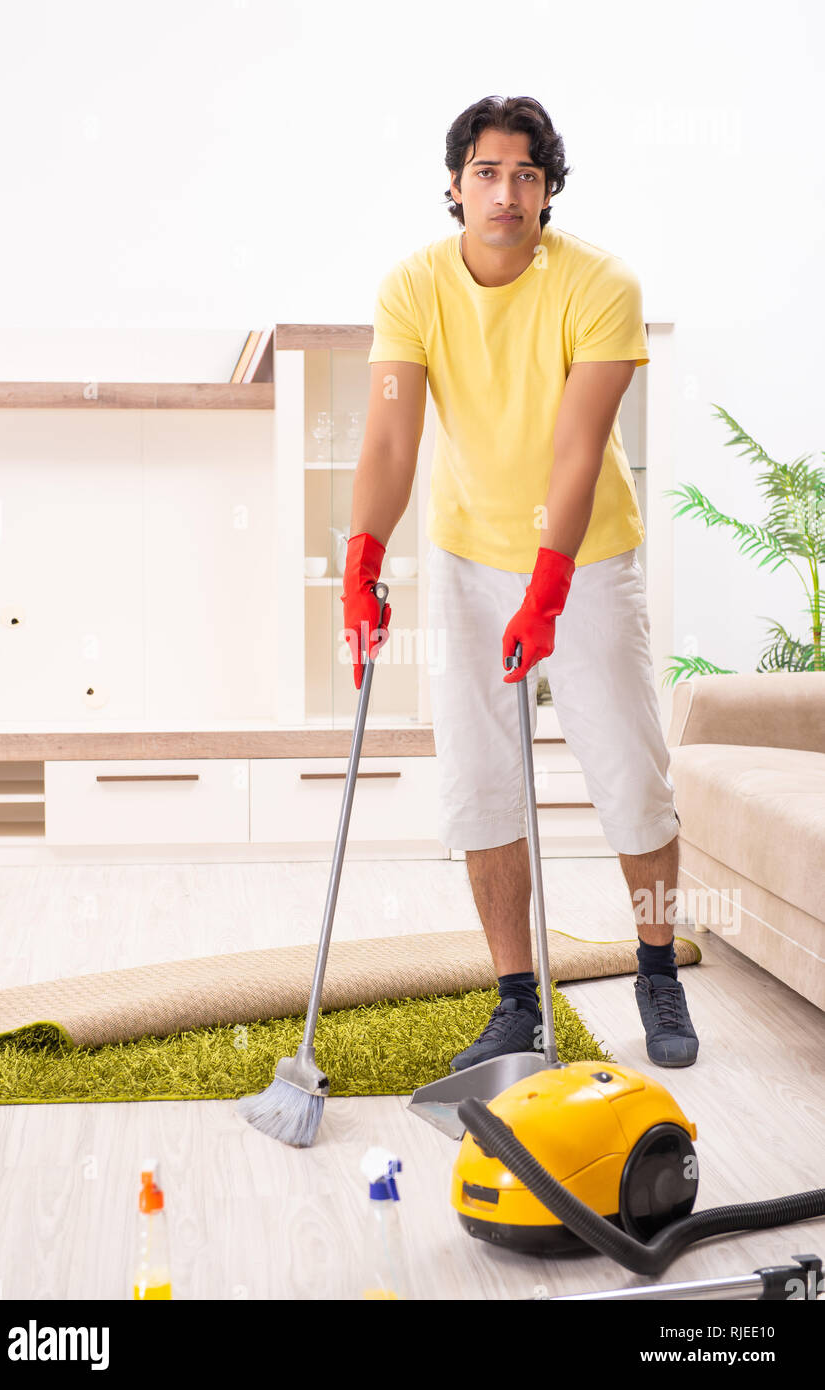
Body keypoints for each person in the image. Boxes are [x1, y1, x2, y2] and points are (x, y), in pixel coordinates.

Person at [341, 94, 698, 1070]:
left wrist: (547, 590)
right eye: (488, 173)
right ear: (455, 187)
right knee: (481, 784)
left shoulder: (599, 285)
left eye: (527, 175)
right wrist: (365, 552)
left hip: (584, 559)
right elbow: (388, 434)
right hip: (466, 558)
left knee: (631, 777)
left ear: (550, 190)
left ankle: (658, 968)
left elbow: (580, 452)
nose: (507, 193)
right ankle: (515, 1000)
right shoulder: (411, 288)